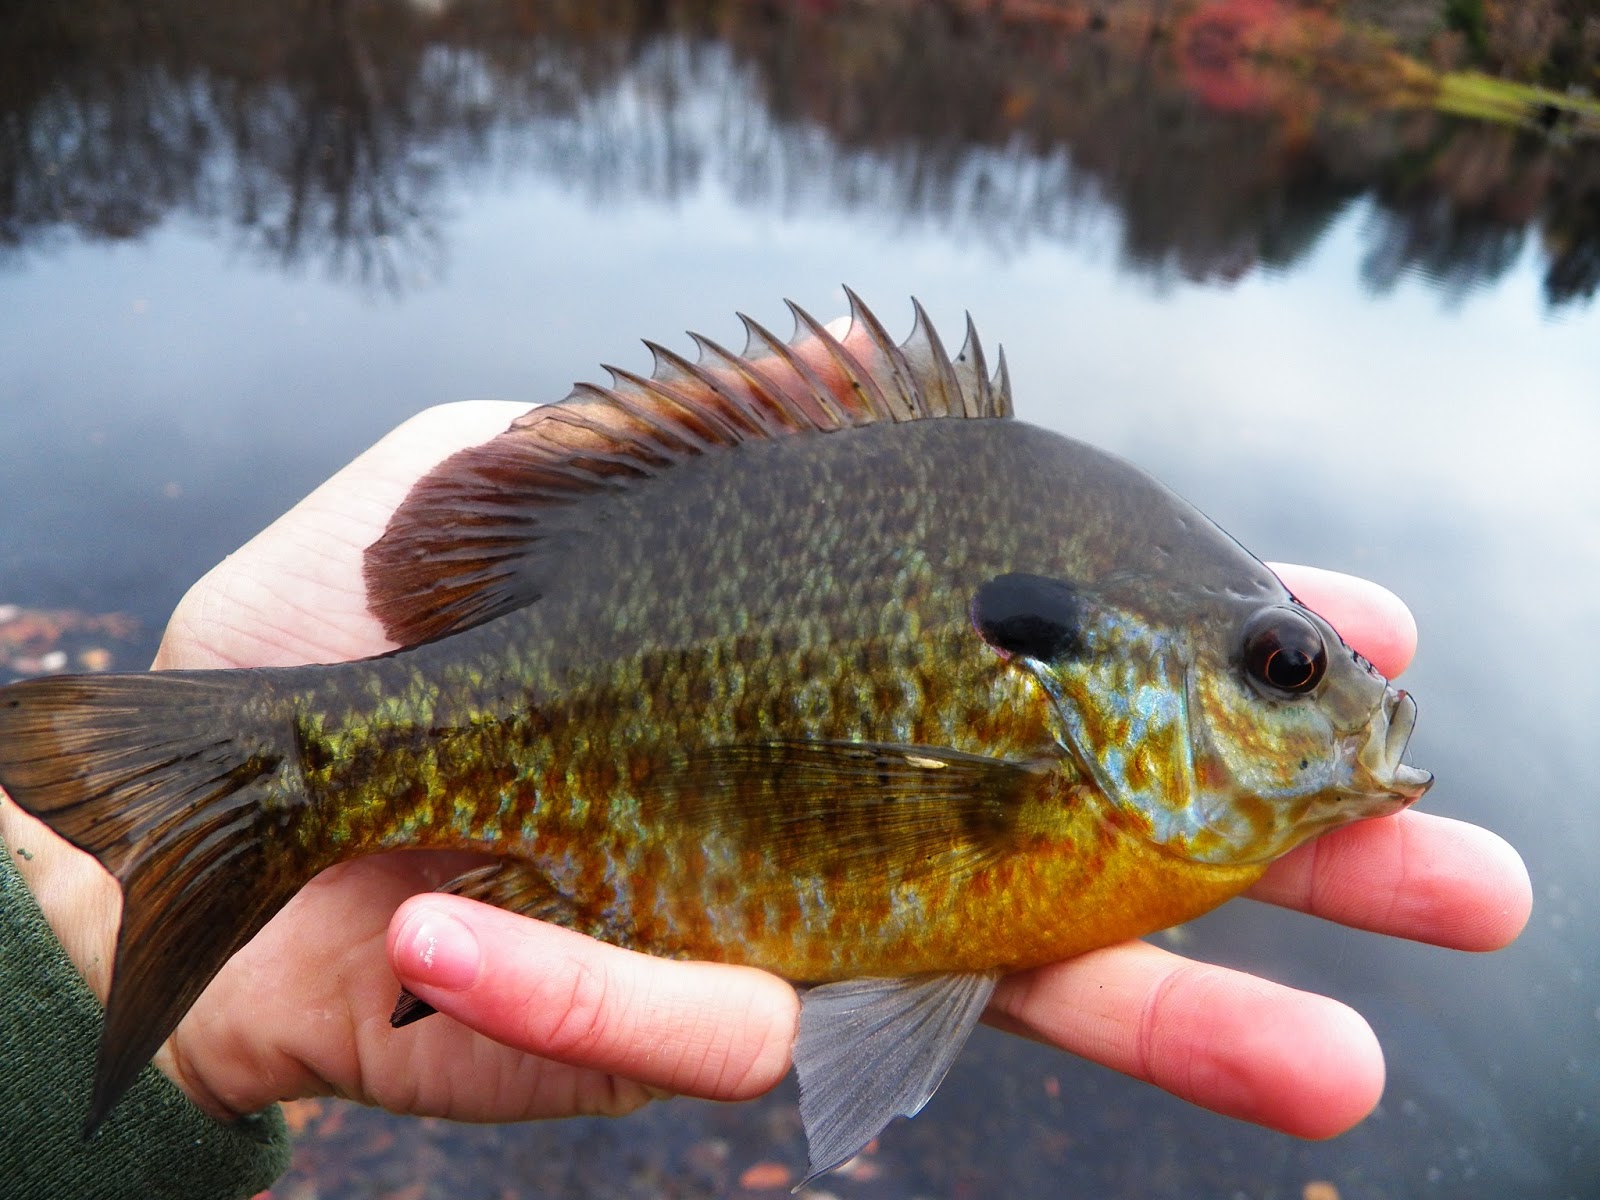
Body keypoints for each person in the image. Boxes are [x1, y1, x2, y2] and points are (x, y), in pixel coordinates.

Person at [0, 401, 1532, 1199]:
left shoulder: (1086, 754)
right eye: (1279, 666)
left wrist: (131, 997)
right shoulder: (1052, 773)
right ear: (1099, 660)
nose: (1328, 701)